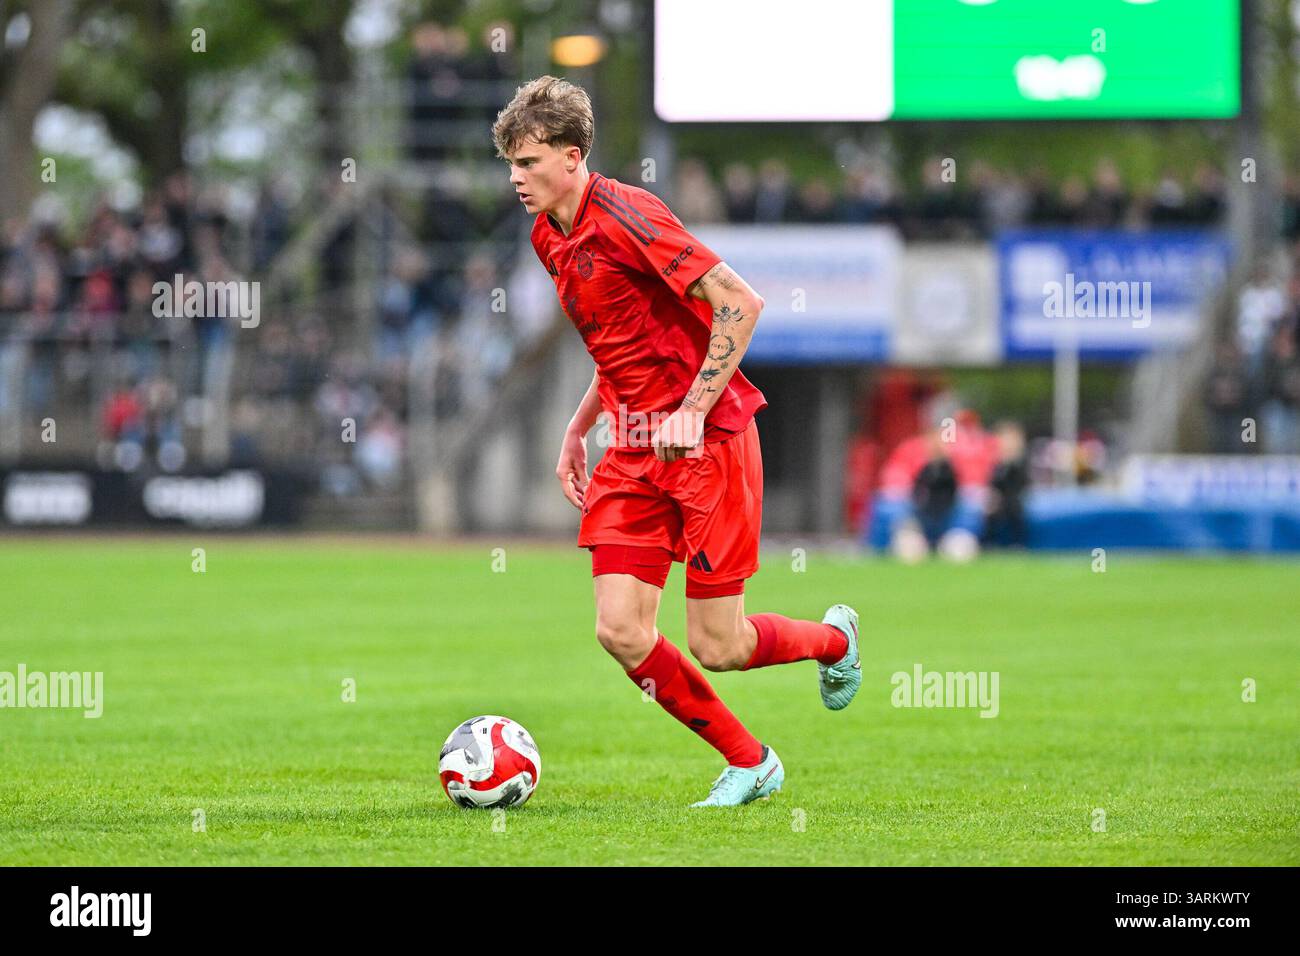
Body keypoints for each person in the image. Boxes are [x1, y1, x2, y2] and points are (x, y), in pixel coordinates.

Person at [492, 76, 860, 807]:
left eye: (528, 163)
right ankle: (752, 761)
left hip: (710, 440)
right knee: (620, 629)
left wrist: (694, 407)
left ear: (572, 157)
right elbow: (618, 342)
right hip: (633, 450)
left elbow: (740, 303)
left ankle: (835, 643)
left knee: (718, 646)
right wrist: (579, 424)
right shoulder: (547, 235)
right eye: (509, 164)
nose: (515, 178)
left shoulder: (629, 212)